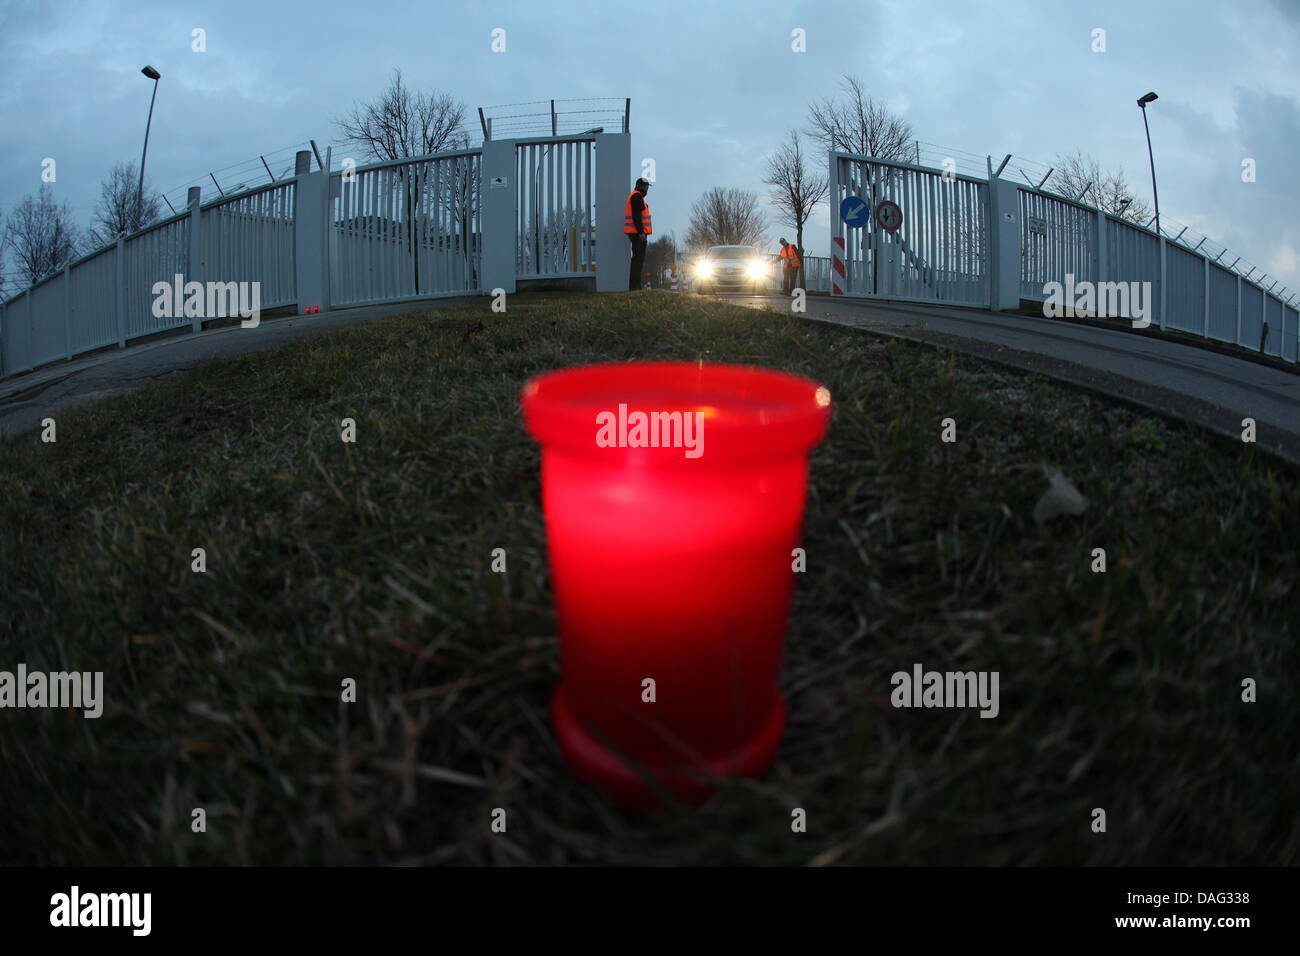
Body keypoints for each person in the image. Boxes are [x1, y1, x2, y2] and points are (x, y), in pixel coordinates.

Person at [625, 178, 652, 290]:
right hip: (637, 234)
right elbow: (637, 216)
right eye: (646, 186)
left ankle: (635, 286)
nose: (647, 188)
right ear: (641, 186)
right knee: (638, 262)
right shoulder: (637, 197)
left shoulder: (636, 196)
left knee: (637, 261)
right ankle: (635, 287)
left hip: (635, 233)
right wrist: (641, 232)